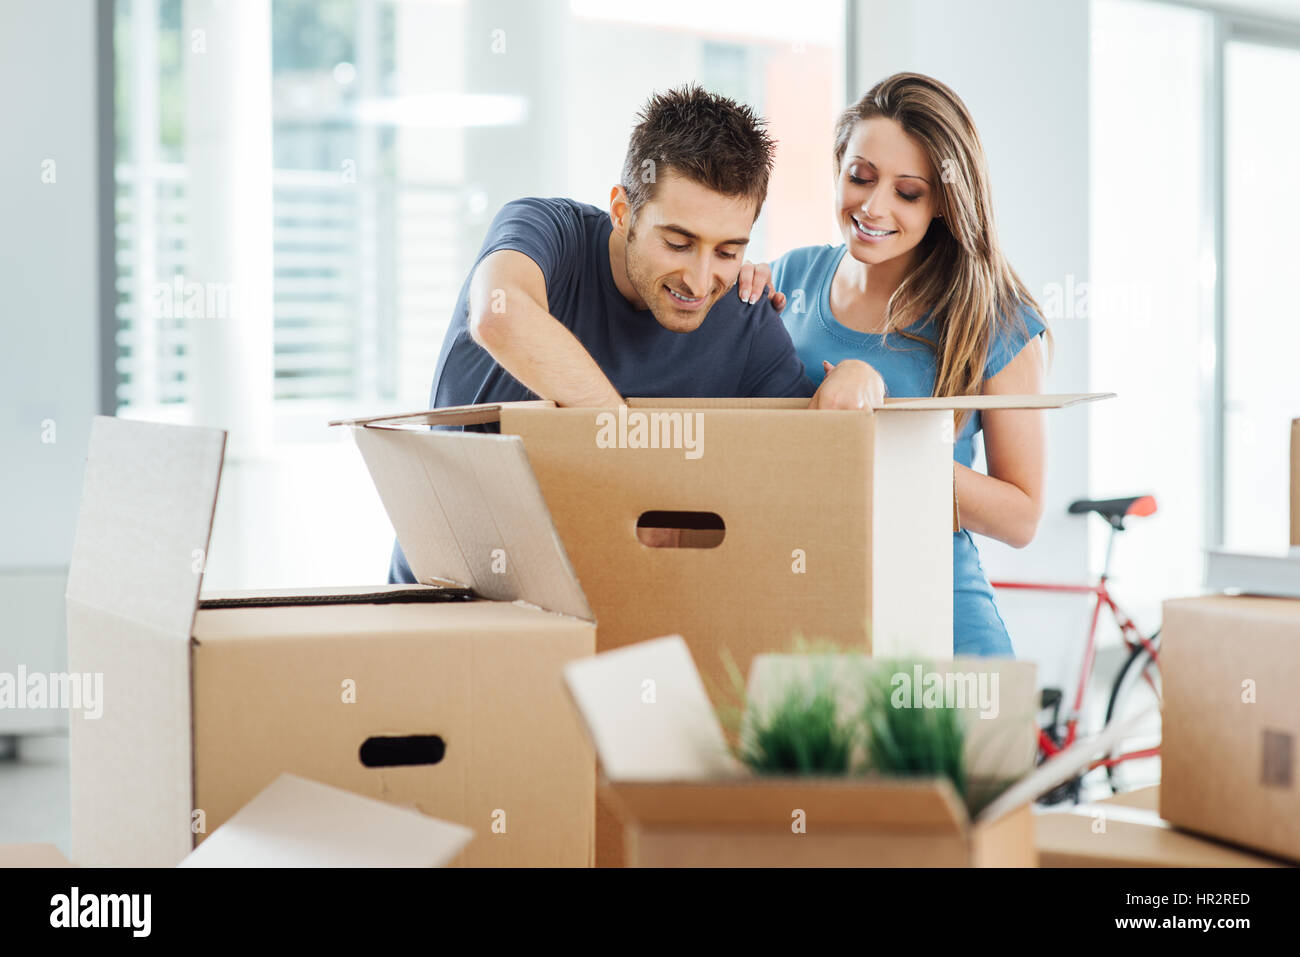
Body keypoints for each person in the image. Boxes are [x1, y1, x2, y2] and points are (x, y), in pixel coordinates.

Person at [388, 85, 883, 584]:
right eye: (677, 242)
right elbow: (501, 315)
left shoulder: (745, 317)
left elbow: (804, 467)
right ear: (623, 211)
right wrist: (629, 453)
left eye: (728, 251)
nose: (698, 278)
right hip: (448, 594)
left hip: (613, 617)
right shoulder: (547, 233)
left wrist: (859, 375)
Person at [738, 72, 1053, 658]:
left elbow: (1022, 516)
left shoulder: (991, 317)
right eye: (860, 177)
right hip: (804, 600)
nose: (873, 206)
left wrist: (881, 439)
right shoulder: (788, 281)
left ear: (942, 202)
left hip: (936, 608)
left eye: (908, 193)